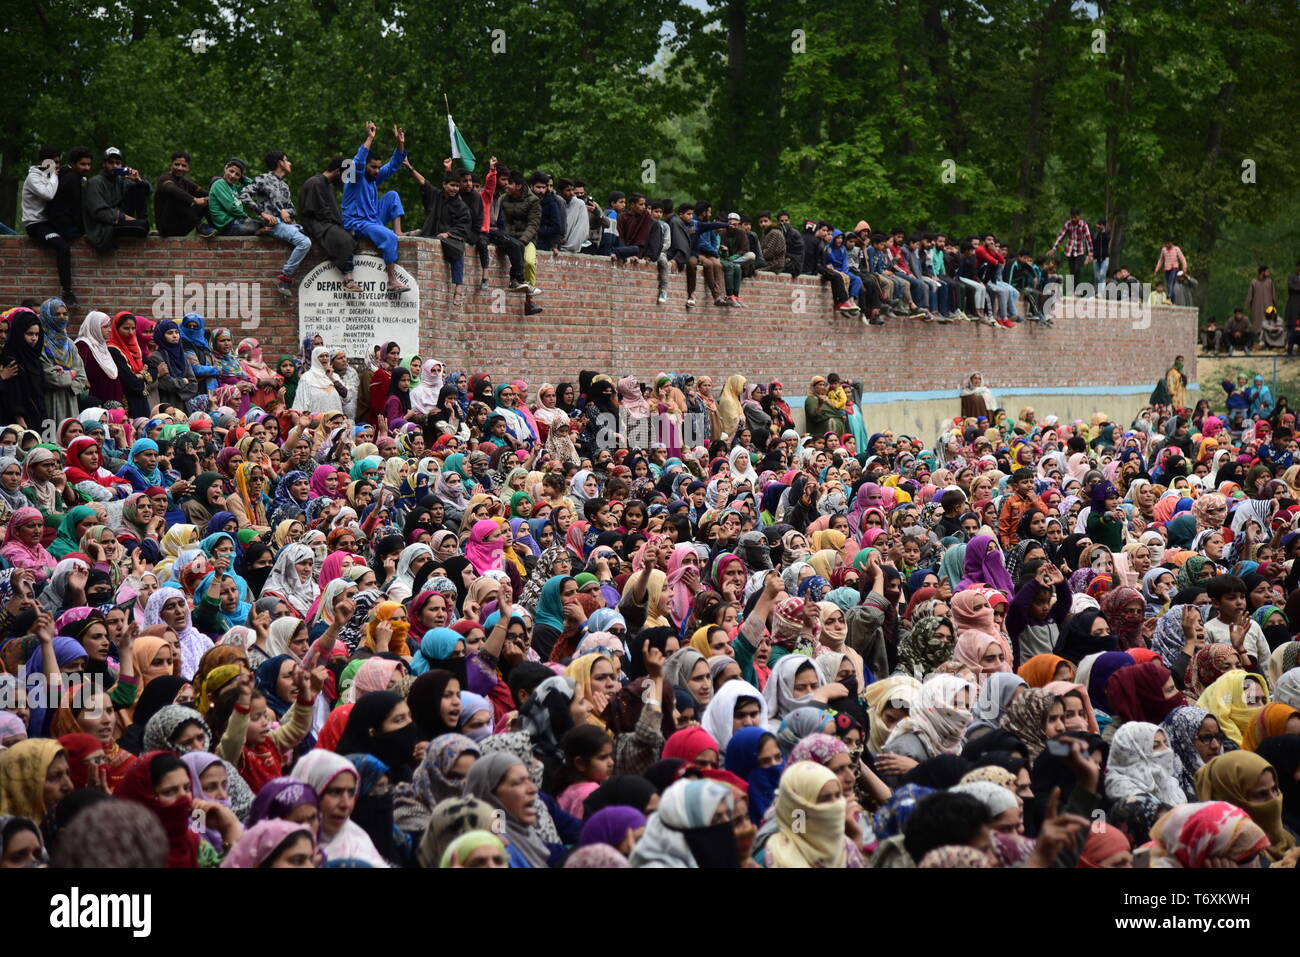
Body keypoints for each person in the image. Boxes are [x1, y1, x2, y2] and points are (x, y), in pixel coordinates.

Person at [342, 121, 411, 294]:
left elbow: (393, 165)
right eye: (373, 167)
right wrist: (370, 138)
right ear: (365, 166)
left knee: (392, 195)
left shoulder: (374, 178)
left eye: (378, 167)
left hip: (372, 218)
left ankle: (399, 232)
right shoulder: (353, 178)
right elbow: (357, 162)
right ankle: (392, 282)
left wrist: (400, 143)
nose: (377, 171)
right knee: (388, 237)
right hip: (357, 223)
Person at [239, 150, 314, 297]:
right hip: (272, 226)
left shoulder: (284, 186)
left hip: (289, 224)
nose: (290, 163)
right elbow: (243, 195)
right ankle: (284, 278)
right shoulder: (263, 178)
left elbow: (292, 210)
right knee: (304, 243)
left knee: (315, 232)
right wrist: (262, 213)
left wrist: (286, 212)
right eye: (287, 160)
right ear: (280, 163)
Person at [299, 156, 363, 292]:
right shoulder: (314, 183)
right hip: (316, 223)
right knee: (343, 239)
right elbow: (319, 211)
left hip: (328, 222)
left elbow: (333, 210)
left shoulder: (329, 185)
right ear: (338, 172)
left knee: (352, 234)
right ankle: (348, 280)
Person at [82, 147, 151, 252]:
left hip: (118, 220)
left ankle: (141, 223)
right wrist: (126, 218)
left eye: (118, 163)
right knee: (142, 226)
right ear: (104, 164)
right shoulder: (95, 182)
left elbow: (147, 191)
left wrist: (138, 180)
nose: (114, 166)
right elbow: (100, 212)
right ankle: (139, 224)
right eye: (111, 162)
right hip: (104, 226)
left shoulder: (121, 180)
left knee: (138, 188)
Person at [154, 150, 216, 238]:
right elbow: (171, 189)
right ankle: (200, 226)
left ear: (188, 168)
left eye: (183, 166)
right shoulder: (164, 179)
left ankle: (215, 227)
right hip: (166, 227)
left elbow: (203, 192)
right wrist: (194, 200)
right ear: (171, 165)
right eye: (176, 164)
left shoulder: (185, 182)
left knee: (207, 199)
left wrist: (222, 197)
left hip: (182, 226)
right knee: (176, 195)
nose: (180, 168)